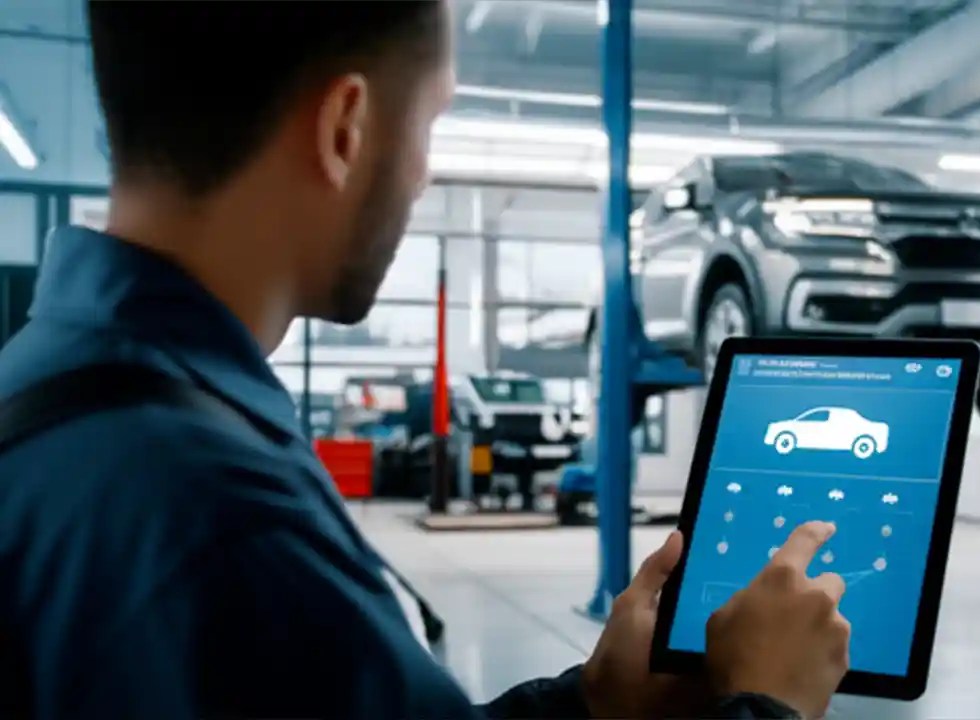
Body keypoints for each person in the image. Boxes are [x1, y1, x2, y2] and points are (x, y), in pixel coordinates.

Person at [0, 2, 852, 717]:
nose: (420, 176)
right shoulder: (220, 522)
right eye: (430, 123)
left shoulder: (64, 389)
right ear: (344, 129)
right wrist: (764, 705)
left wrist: (589, 702)